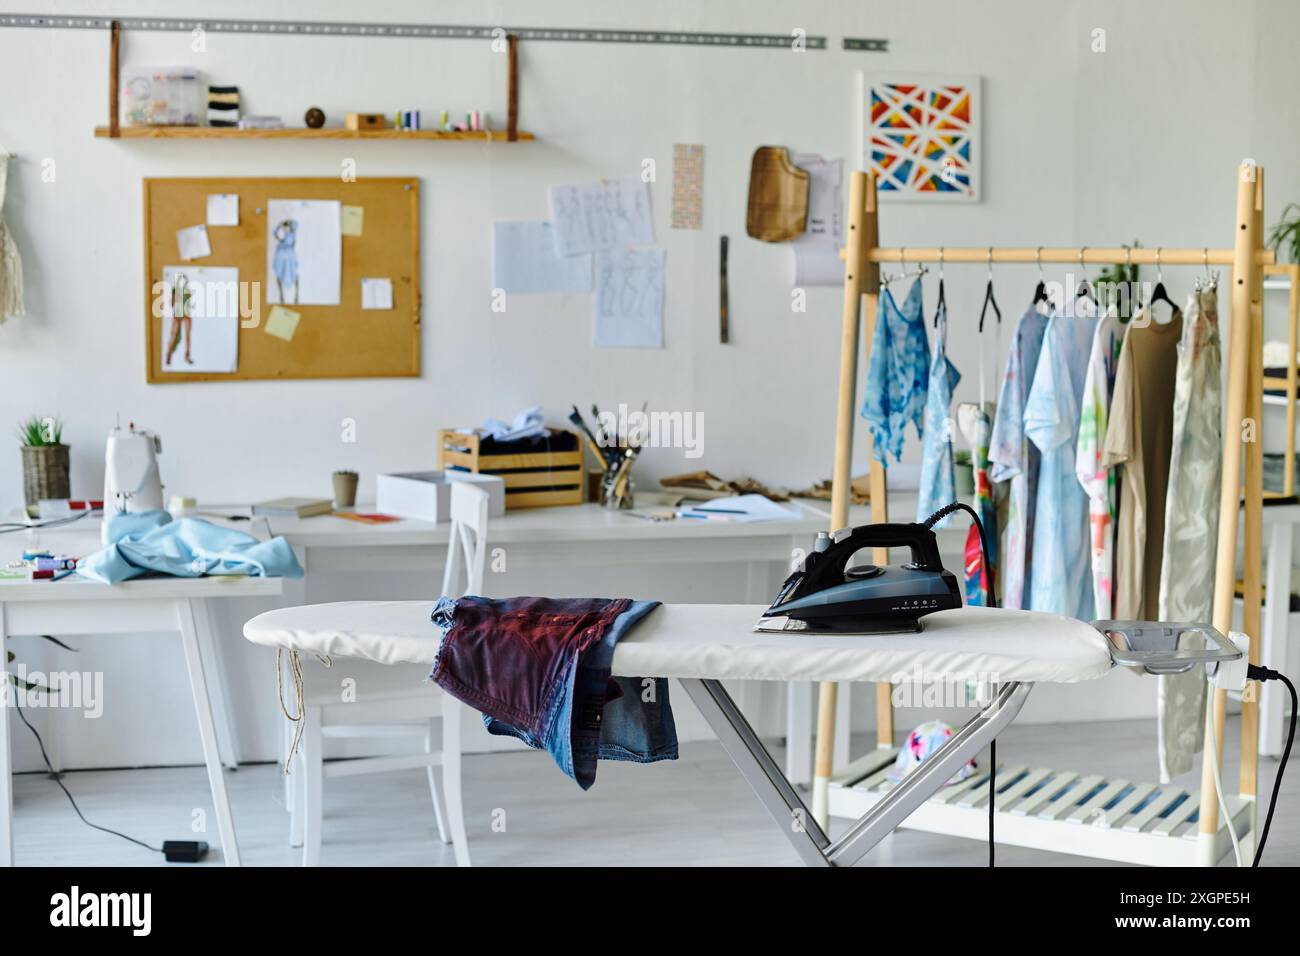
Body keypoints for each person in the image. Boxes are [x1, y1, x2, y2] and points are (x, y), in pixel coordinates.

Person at [165, 272, 193, 366]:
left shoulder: (187, 290)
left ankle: (187, 355)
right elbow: (172, 303)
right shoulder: (176, 290)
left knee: (187, 335)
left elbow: (189, 303)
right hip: (178, 314)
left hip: (185, 314)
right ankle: (169, 354)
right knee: (174, 334)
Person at [272, 219, 299, 304]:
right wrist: (280, 225)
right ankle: (281, 295)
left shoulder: (293, 233)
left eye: (287, 226)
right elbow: (275, 233)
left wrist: (287, 223)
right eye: (285, 227)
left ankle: (296, 295)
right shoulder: (283, 237)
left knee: (293, 273)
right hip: (282, 254)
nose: (285, 228)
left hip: (289, 255)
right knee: (279, 272)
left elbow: (295, 223)